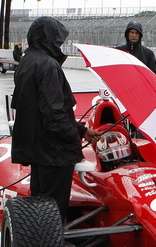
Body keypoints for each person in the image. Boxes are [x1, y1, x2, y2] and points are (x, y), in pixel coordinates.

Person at [10, 17, 99, 222]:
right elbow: (54, 116)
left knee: (39, 206)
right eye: (57, 40)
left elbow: (44, 111)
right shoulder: (48, 65)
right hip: (53, 152)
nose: (60, 45)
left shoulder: (27, 61)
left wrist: (81, 131)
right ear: (48, 39)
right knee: (53, 212)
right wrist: (73, 140)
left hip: (38, 149)